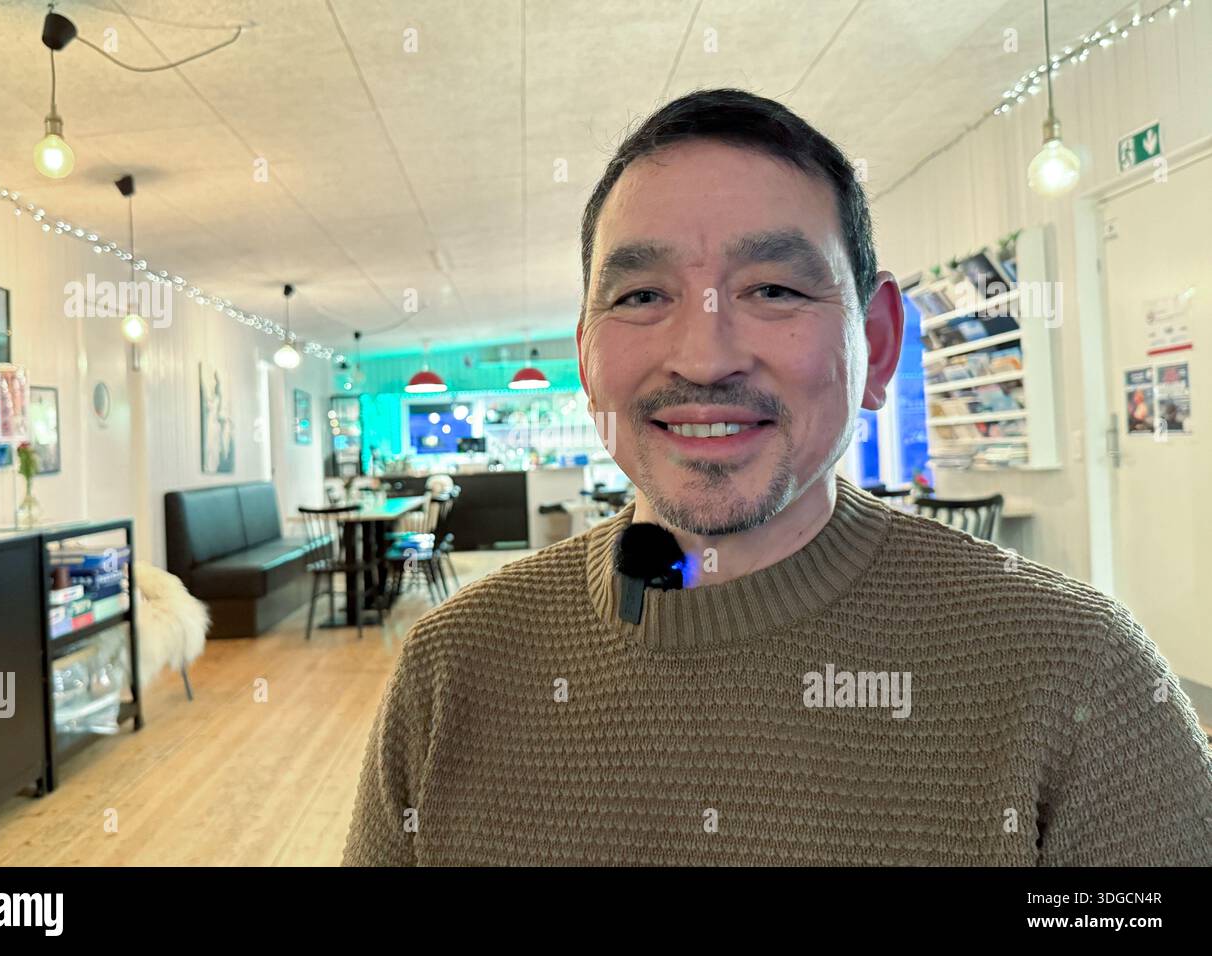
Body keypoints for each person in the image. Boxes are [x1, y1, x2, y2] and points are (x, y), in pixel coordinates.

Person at [342, 89, 1212, 866]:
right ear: (585, 353)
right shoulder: (453, 669)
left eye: (774, 290)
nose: (704, 357)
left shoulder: (1081, 678)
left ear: (874, 346)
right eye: (641, 296)